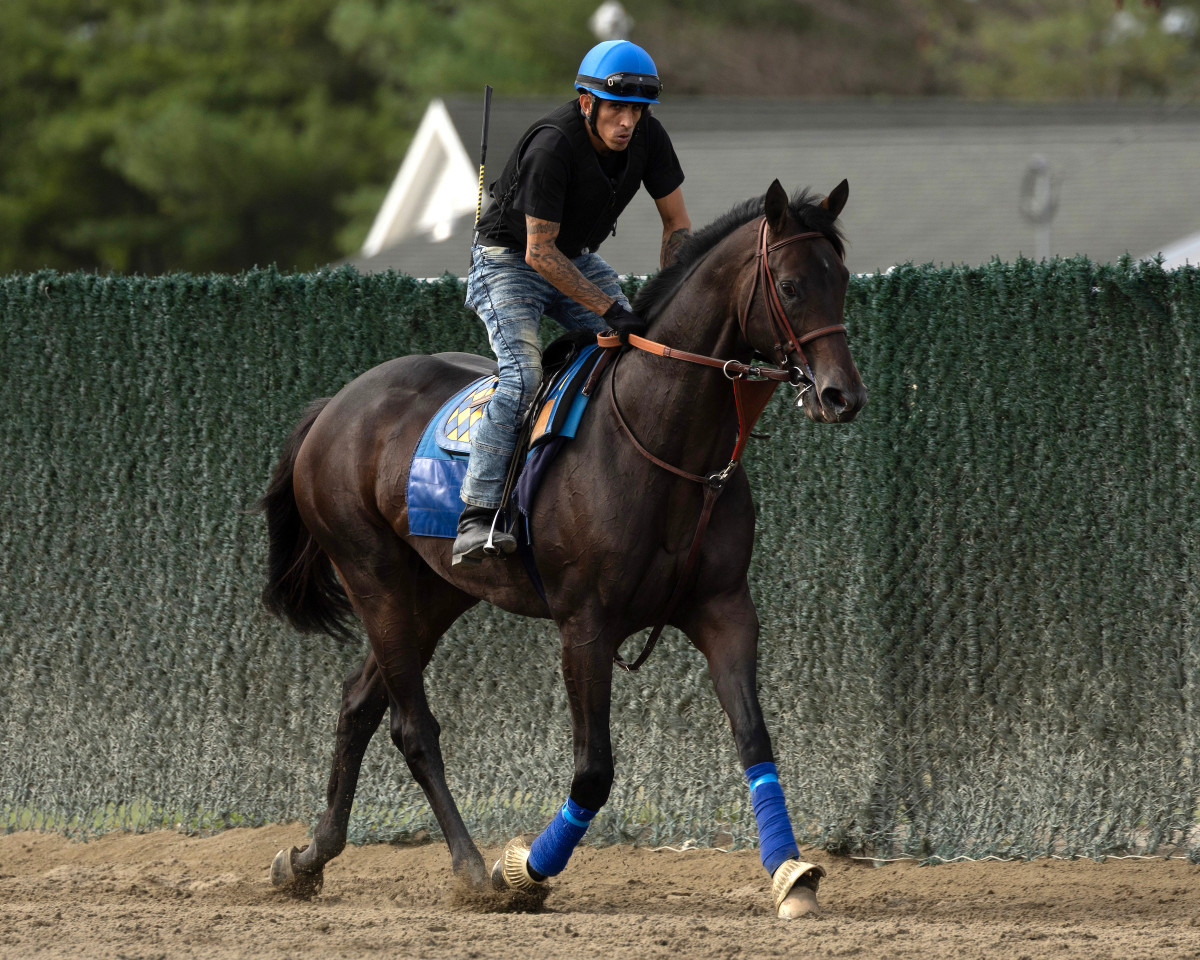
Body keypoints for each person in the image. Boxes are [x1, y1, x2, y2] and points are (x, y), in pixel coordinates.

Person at [452, 39, 692, 565]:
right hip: (509, 261)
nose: (627, 122)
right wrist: (610, 310)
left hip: (575, 257)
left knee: (645, 347)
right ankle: (477, 513)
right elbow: (539, 254)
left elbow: (677, 225)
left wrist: (669, 298)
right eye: (616, 109)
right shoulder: (552, 147)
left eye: (636, 110)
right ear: (587, 103)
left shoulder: (649, 136)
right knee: (523, 376)